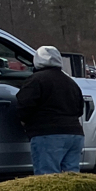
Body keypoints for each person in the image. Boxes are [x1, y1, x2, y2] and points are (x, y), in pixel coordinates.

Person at [14, 46, 84, 174]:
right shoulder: (70, 82)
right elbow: (80, 109)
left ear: (37, 60)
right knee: (72, 178)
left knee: (48, 178)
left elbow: (24, 105)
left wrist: (23, 121)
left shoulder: (36, 80)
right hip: (75, 134)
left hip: (48, 134)